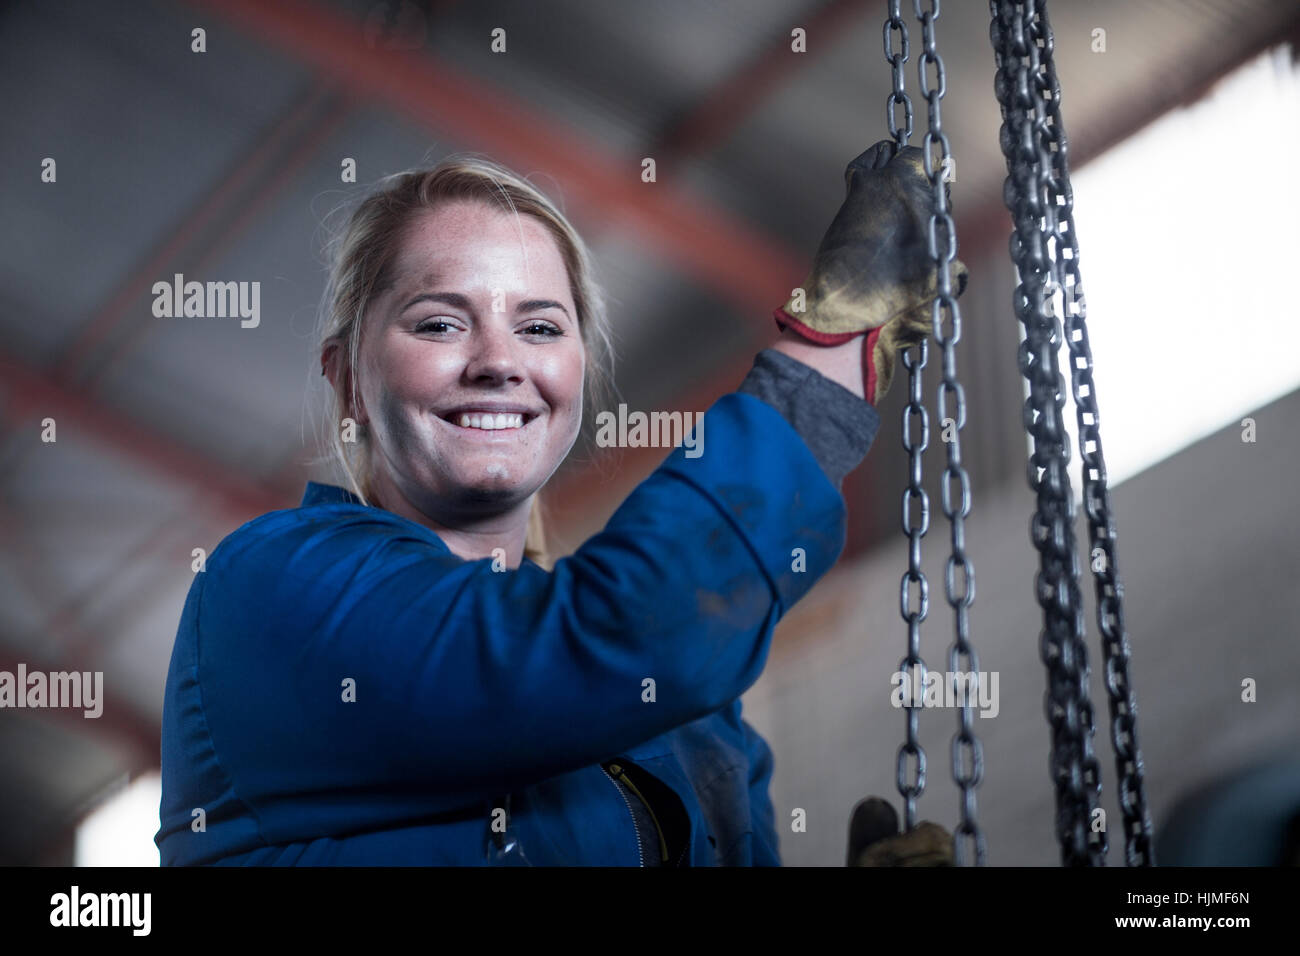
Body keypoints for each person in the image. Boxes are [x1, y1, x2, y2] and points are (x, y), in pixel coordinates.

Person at [155, 142, 965, 866]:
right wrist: (826, 360)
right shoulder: (268, 593)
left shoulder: (694, 723)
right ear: (347, 381)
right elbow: (611, 637)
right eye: (440, 323)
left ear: (580, 371)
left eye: (540, 328)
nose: (499, 362)